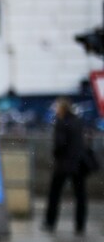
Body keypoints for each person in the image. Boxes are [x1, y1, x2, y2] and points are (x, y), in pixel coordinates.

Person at [43, 98, 91, 235]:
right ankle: (80, 225)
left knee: (55, 194)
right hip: (78, 164)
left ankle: (50, 222)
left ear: (62, 108)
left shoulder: (61, 122)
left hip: (63, 164)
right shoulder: (78, 121)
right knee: (80, 196)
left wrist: (56, 154)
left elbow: (60, 143)